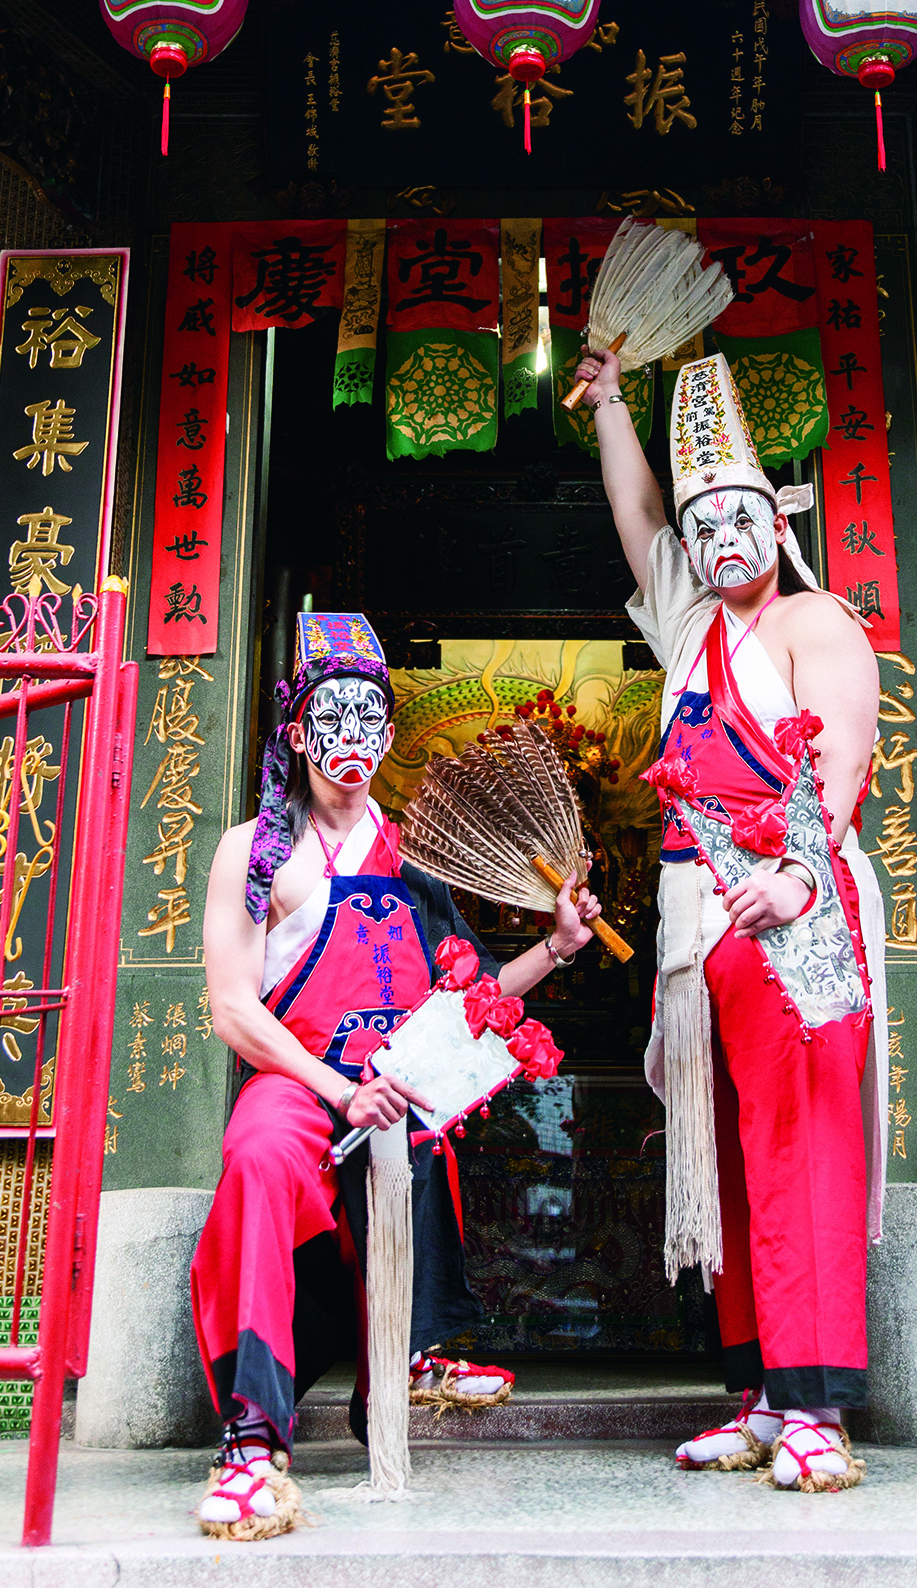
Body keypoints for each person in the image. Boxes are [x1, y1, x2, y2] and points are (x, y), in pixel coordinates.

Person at [190, 612, 601, 1535]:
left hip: (394, 1087)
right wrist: (337, 1087)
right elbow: (233, 1009)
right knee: (257, 1153)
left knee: (417, 1140)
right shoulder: (254, 850)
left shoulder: (413, 857)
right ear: (296, 733)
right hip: (301, 1082)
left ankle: (408, 1359)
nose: (351, 741)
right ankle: (253, 1436)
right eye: (330, 720)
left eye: (368, 721)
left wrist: (556, 948)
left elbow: (466, 1000)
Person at [575, 346, 887, 1494]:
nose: (717, 539)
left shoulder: (816, 622)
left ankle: (817, 1410)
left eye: (736, 516)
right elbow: (635, 514)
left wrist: (800, 883)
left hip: (789, 916)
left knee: (798, 1151)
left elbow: (839, 767)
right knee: (728, 1159)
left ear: (777, 515)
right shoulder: (687, 623)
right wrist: (611, 402)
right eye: (702, 525)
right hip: (694, 931)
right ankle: (760, 1397)